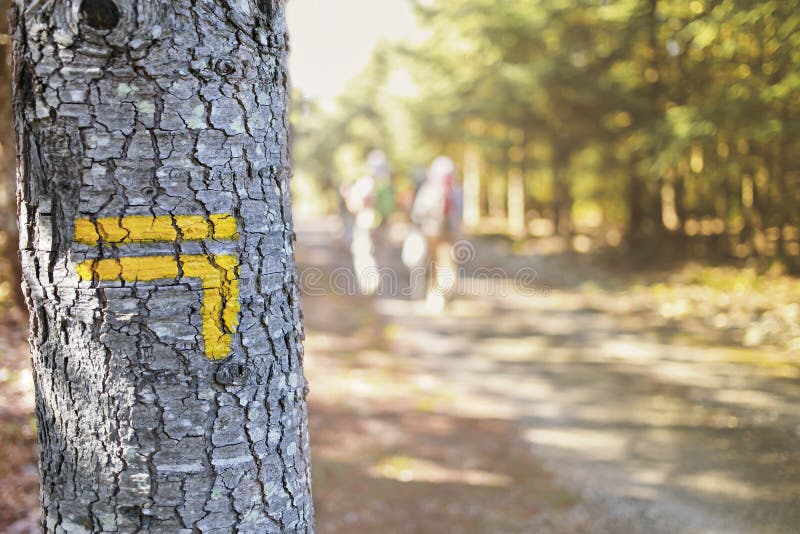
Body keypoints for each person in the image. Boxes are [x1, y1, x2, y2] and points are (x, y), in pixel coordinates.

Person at [411, 156, 462, 310]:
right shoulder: (456, 190)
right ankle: (440, 294)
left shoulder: (430, 189)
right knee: (444, 261)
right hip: (441, 231)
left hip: (435, 230)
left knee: (438, 262)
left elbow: (418, 212)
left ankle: (438, 294)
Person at [342, 150, 394, 295]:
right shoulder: (387, 184)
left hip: (365, 223)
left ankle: (369, 286)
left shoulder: (364, 183)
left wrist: (348, 197)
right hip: (383, 224)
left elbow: (354, 206)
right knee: (380, 255)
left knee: (363, 253)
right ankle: (380, 289)